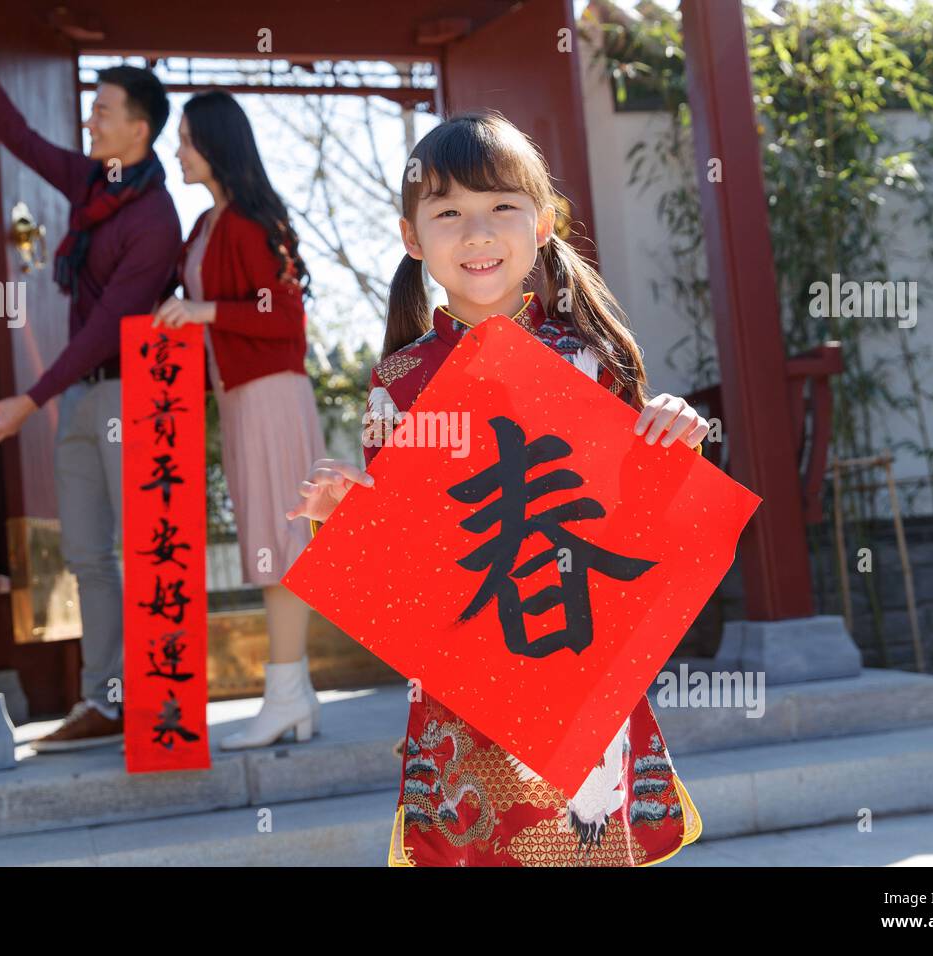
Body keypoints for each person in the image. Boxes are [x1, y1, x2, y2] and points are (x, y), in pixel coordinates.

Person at [287, 112, 708, 866]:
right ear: (413, 238)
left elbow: (637, 524)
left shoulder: (590, 361)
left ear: (542, 224)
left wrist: (671, 439)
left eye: (501, 207)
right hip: (466, 670)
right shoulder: (399, 384)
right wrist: (347, 517)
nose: (477, 233)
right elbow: (400, 566)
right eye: (448, 213)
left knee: (586, 842)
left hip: (576, 653)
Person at [0, 7, 182, 751]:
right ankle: (104, 700)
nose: (90, 120)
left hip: (129, 394)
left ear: (139, 128)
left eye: (103, 110)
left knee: (141, 554)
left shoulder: (156, 219)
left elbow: (108, 325)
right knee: (87, 557)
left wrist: (29, 399)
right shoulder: (92, 182)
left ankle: (157, 702)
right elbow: (18, 137)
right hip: (78, 395)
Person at [152, 91, 327, 749]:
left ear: (216, 144)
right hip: (239, 398)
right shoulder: (206, 224)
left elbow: (285, 317)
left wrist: (204, 313)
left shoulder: (252, 222)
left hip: (271, 396)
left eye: (187, 139)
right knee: (272, 542)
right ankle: (294, 698)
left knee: (283, 547)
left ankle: (285, 698)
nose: (177, 152)